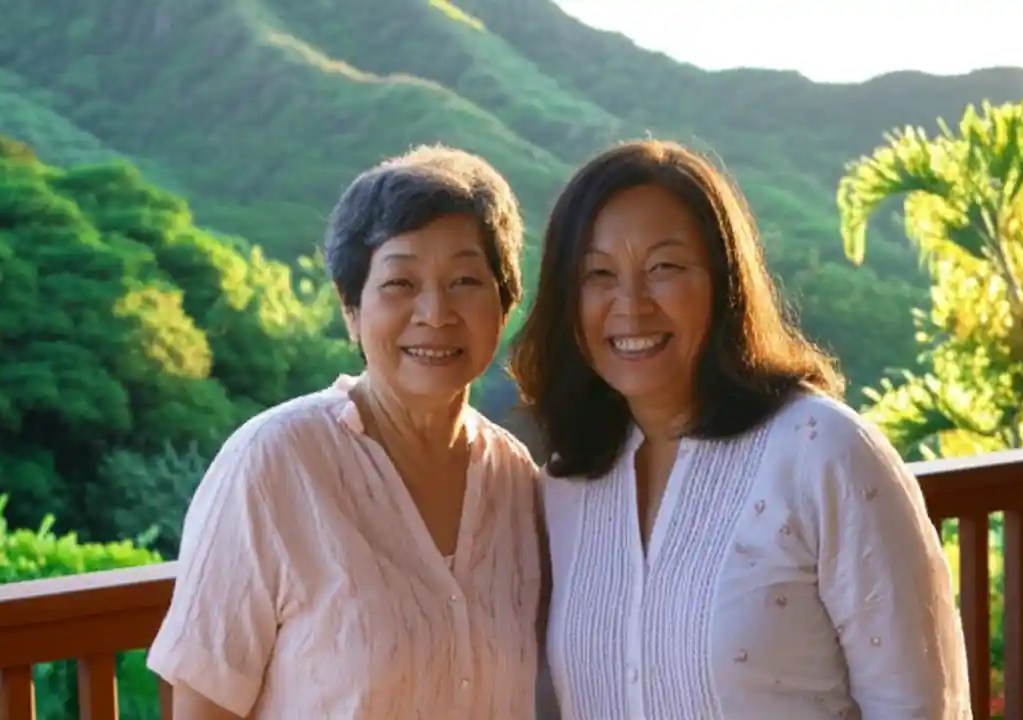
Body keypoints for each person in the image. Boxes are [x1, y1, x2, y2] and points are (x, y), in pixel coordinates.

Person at [510, 139, 971, 719]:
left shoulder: (821, 451)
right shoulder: (564, 482)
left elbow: (917, 706)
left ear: (725, 283)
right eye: (597, 273)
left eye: (665, 268)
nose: (630, 302)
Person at [147, 145, 542, 719]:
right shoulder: (273, 464)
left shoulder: (517, 483)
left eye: (465, 281)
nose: (435, 312)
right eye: (401, 283)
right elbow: (204, 706)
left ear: (505, 306)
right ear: (351, 307)